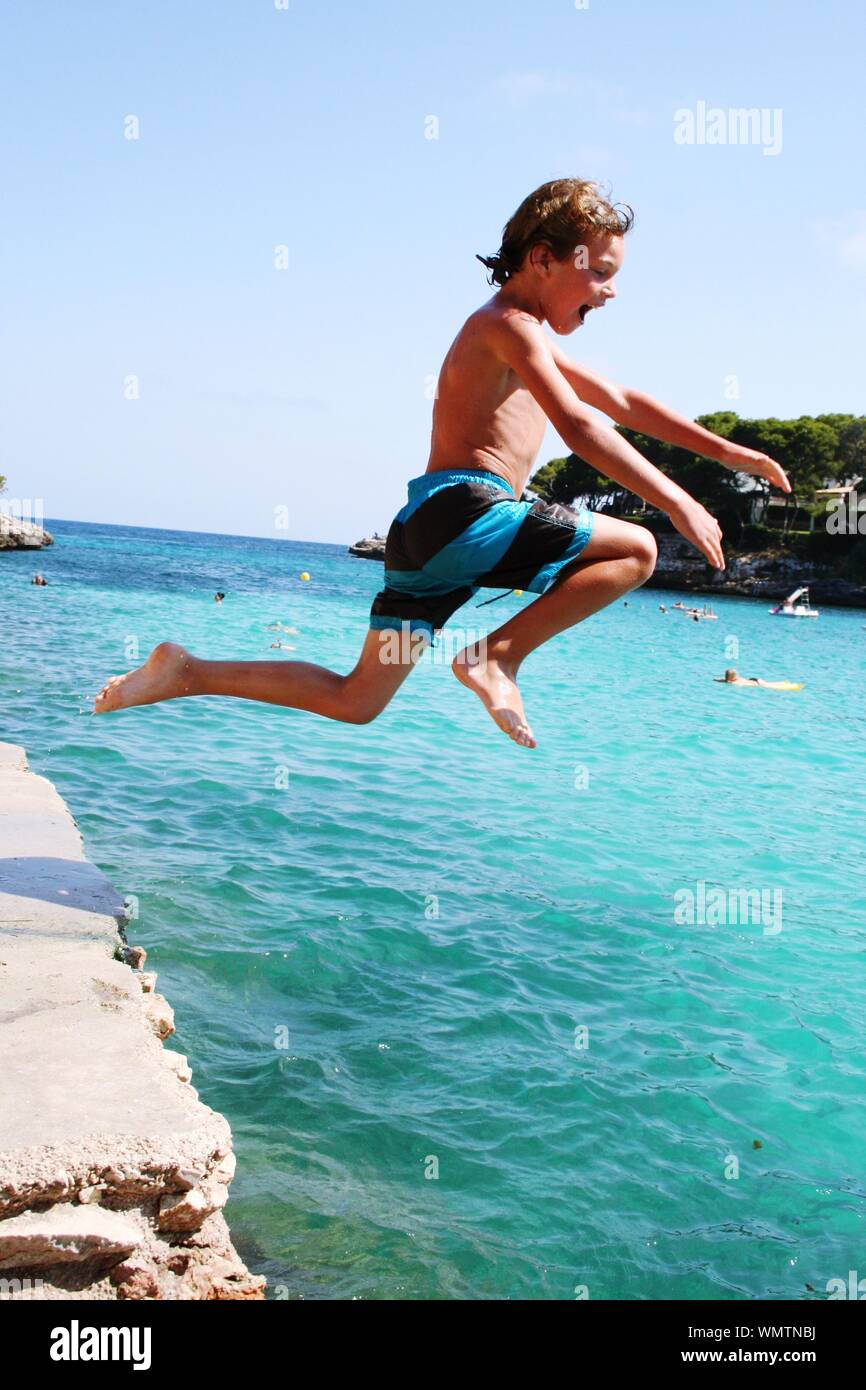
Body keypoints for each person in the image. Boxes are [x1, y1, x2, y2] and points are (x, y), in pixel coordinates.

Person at [94, 178, 790, 747]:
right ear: (545, 259)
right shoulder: (506, 326)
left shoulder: (520, 336)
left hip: (427, 544)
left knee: (357, 698)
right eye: (599, 272)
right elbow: (580, 427)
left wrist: (728, 451)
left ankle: (186, 672)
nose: (610, 290)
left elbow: (621, 400)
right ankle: (497, 658)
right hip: (469, 515)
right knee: (636, 550)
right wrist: (678, 500)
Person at [715, 668, 800, 690]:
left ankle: (786, 684)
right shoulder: (732, 681)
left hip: (759, 683)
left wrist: (717, 680)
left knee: (772, 686)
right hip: (754, 680)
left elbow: (723, 680)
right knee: (773, 684)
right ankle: (784, 683)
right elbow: (723, 680)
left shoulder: (733, 682)